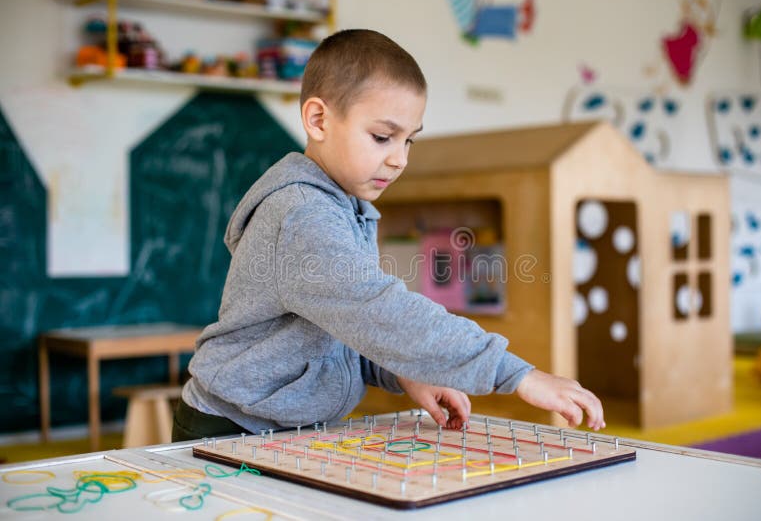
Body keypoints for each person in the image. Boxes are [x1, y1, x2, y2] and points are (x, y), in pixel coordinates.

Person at [173, 29, 605, 441]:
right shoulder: (302, 214)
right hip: (231, 428)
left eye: (409, 141)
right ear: (318, 119)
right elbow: (380, 310)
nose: (399, 160)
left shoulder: (349, 210)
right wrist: (514, 372)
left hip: (283, 425)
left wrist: (400, 372)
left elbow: (344, 329)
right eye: (382, 137)